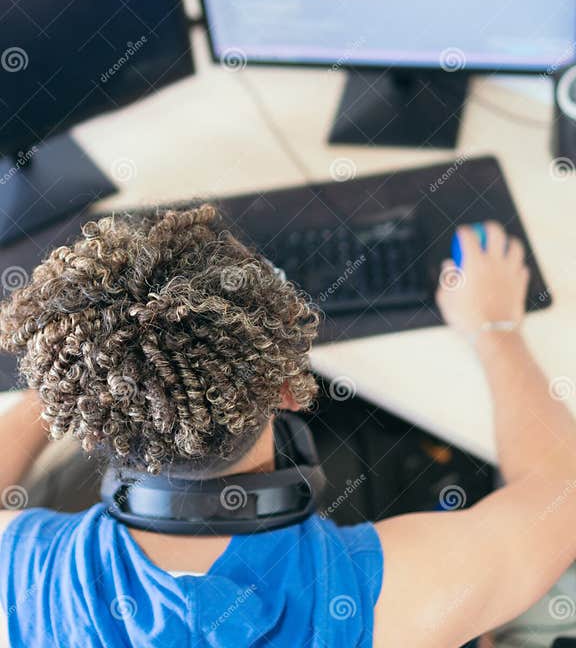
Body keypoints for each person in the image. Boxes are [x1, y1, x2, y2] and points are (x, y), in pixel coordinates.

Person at [0, 205, 575, 647]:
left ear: (84, 423)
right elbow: (560, 490)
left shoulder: (26, 580)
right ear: (287, 386)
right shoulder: (398, 592)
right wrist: (496, 327)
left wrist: (78, 366)